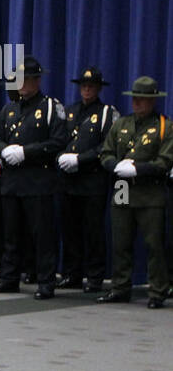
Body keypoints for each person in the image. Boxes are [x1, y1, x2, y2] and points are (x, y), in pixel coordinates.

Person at [0, 56, 69, 299]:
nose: (21, 84)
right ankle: (9, 277)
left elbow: (58, 141)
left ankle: (45, 281)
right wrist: (2, 151)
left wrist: (26, 152)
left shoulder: (51, 107)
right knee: (10, 234)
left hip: (38, 180)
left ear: (37, 80)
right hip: (11, 182)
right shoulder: (9, 109)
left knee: (42, 235)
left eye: (26, 80)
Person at [98, 77, 173, 307]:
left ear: (152, 101)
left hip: (149, 192)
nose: (138, 103)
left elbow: (165, 161)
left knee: (154, 244)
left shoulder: (164, 126)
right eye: (135, 99)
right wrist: (114, 165)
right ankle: (120, 287)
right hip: (122, 188)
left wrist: (138, 168)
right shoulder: (121, 124)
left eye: (143, 100)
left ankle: (158, 291)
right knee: (120, 241)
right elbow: (106, 152)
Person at [58, 67, 118, 293]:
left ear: (99, 88)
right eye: (83, 86)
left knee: (93, 230)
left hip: (92, 180)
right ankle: (72, 273)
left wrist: (81, 159)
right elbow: (59, 138)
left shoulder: (106, 113)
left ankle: (94, 276)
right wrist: (61, 157)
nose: (86, 90)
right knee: (69, 229)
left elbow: (107, 146)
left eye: (91, 86)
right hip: (68, 180)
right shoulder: (69, 110)